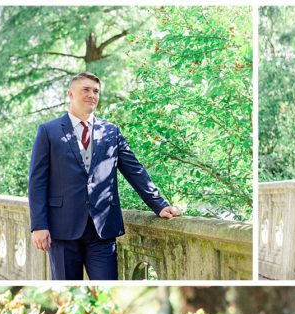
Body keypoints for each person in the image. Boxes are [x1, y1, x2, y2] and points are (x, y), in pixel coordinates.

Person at [28, 71, 182, 280]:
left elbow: (134, 170)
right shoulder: (48, 131)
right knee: (66, 291)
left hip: (102, 229)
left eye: (96, 91)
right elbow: (37, 182)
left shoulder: (111, 131)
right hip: (62, 229)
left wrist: (159, 204)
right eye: (86, 90)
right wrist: (39, 225)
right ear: (70, 94)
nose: (92, 95)